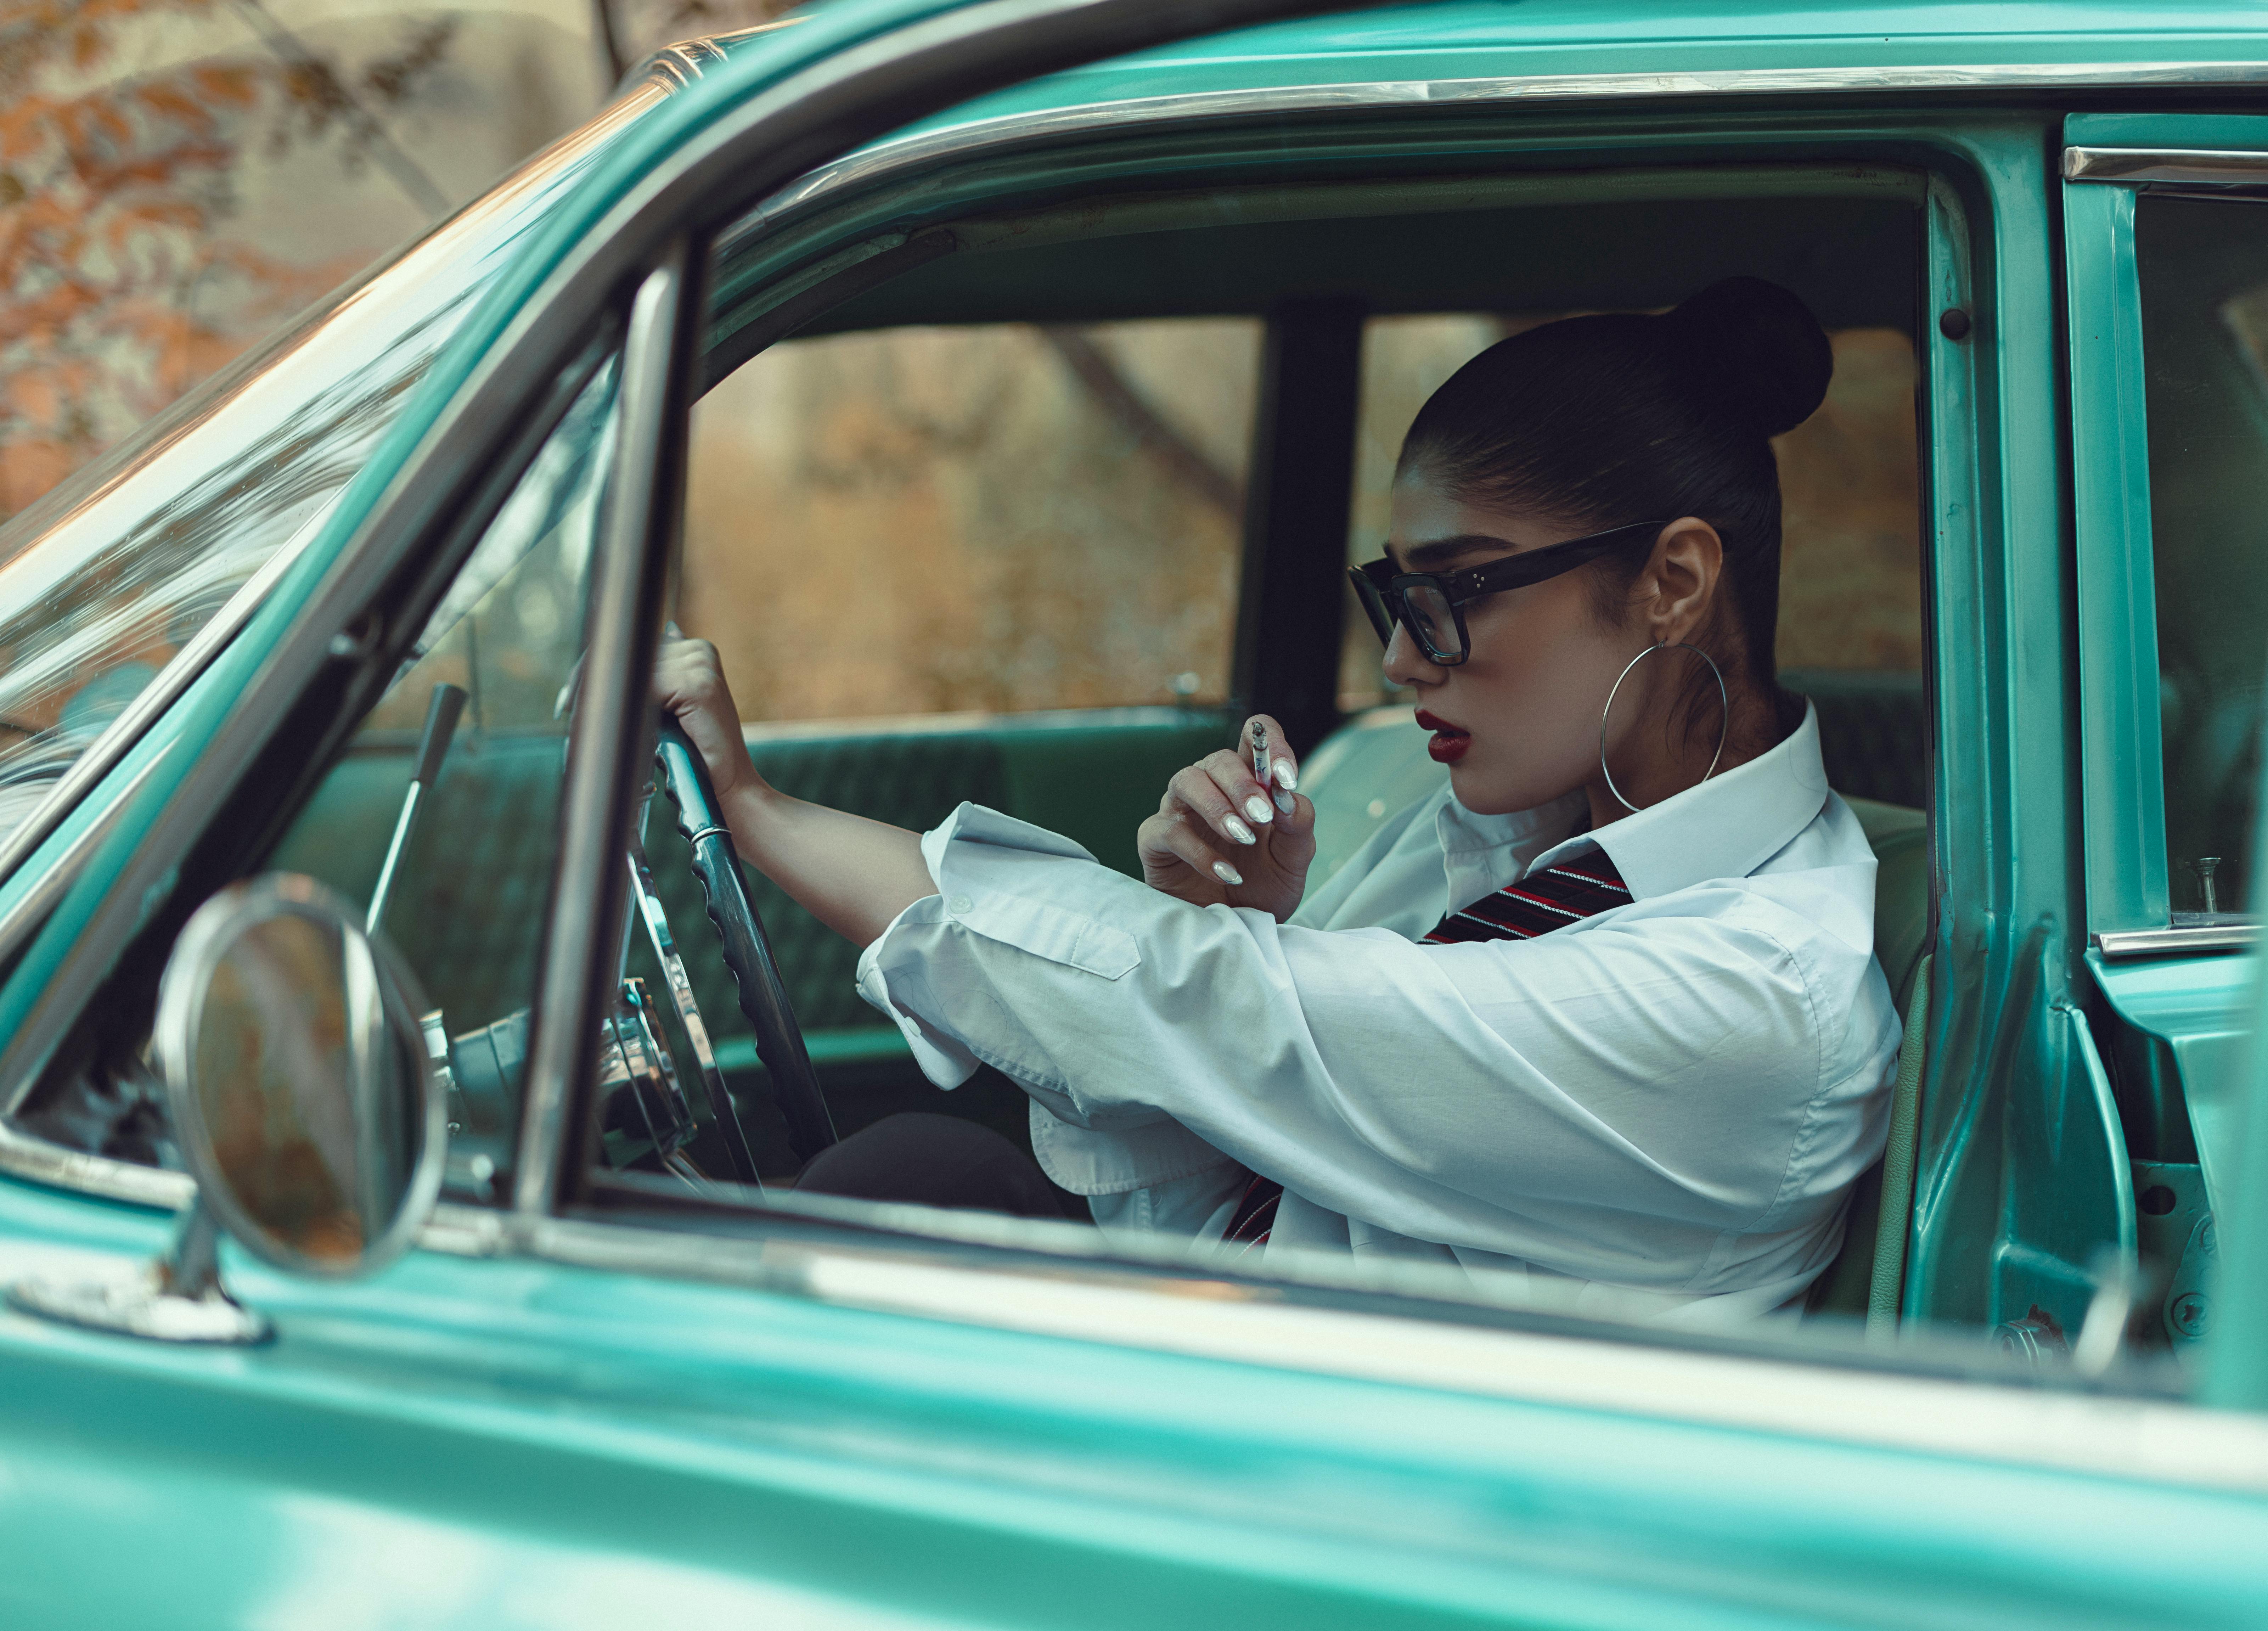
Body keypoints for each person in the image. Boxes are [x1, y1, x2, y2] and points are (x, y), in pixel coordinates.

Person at [655, 276, 1902, 1323]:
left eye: (1454, 593)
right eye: (1393, 596)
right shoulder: (1514, 835)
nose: (1405, 661)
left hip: (1386, 1528)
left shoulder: (1760, 996)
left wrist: (756, 812)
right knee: (919, 1180)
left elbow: (1210, 1012)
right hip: (1242, 1368)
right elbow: (1248, 1162)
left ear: (1674, 582)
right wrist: (1251, 921)